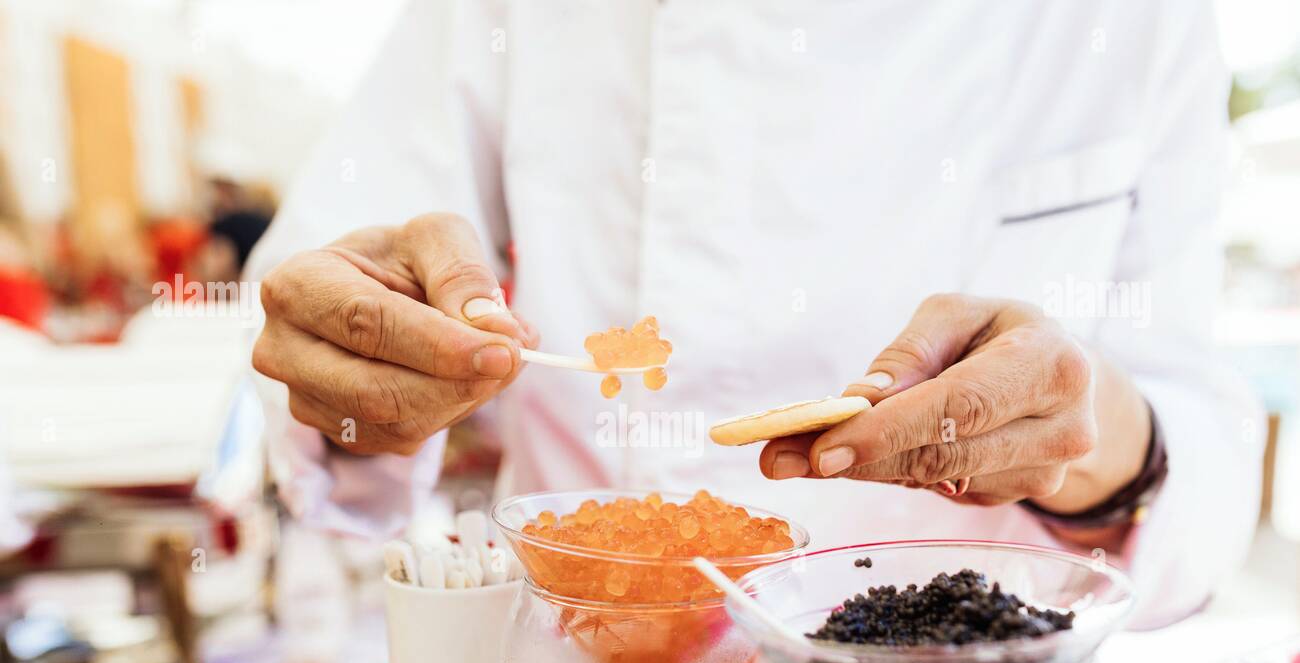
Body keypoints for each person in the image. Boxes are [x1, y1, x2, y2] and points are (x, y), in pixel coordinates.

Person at [247, 0, 1263, 627]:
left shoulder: (1133, 19)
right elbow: (313, 317)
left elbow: (1195, 448)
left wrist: (1099, 447)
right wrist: (357, 368)